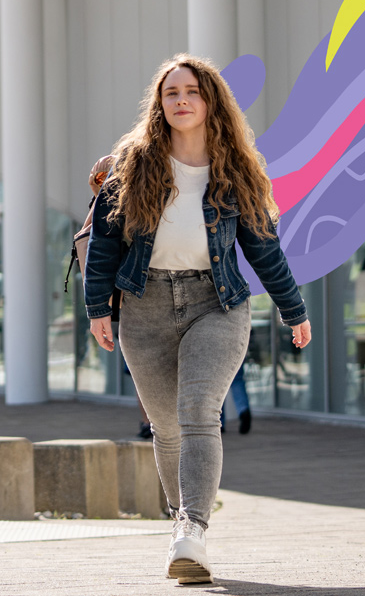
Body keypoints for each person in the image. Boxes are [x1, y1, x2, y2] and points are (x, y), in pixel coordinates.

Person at [83, 54, 310, 585]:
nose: (181, 100)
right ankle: (180, 526)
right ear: (159, 105)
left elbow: (264, 248)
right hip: (145, 304)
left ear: (210, 102)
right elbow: (104, 244)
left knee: (198, 411)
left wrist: (291, 306)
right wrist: (99, 308)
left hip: (218, 303)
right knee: (164, 426)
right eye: (171, 93)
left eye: (192, 92)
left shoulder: (235, 170)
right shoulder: (133, 164)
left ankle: (193, 529)